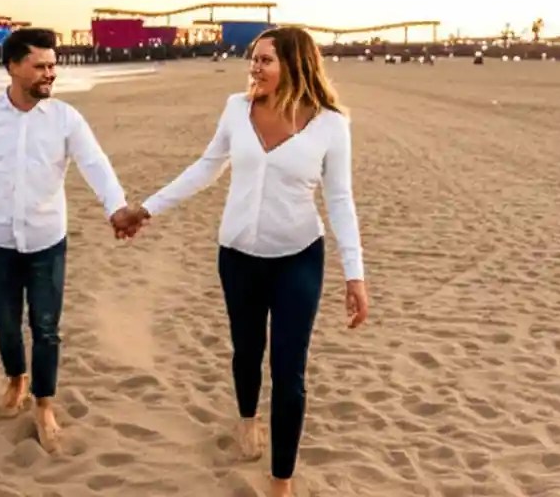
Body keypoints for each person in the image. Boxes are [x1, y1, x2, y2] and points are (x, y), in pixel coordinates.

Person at [114, 26, 369, 497]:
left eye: (266, 60)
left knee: (289, 369)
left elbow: (340, 200)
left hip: (298, 257)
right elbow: (207, 167)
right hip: (237, 256)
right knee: (246, 351)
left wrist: (355, 274)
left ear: (295, 64)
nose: (255, 67)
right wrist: (146, 208)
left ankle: (281, 481)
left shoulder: (331, 125)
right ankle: (248, 419)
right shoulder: (237, 108)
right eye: (253, 59)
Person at [0, 27, 132, 453]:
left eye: (52, 65)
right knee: (5, 324)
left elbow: (95, 164)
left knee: (46, 328)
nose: (50, 74)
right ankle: (16, 379)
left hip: (48, 240)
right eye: (40, 66)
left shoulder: (66, 118)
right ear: (12, 66)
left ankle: (44, 403)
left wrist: (115, 208)